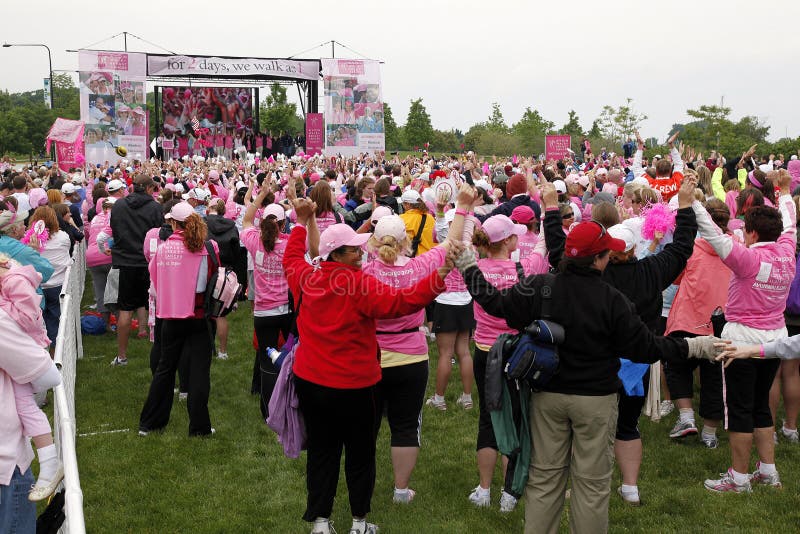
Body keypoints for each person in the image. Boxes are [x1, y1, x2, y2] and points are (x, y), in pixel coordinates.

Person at [455, 216, 721, 534]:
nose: (609, 258)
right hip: (595, 400)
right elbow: (647, 348)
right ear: (597, 259)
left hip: (549, 397)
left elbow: (496, 304)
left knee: (544, 480)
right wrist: (696, 347)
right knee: (592, 485)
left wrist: (470, 267)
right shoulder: (612, 300)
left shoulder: (542, 286)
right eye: (605, 254)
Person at [283, 198, 461, 534]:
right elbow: (403, 301)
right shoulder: (359, 283)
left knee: (322, 450)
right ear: (336, 254)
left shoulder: (306, 277)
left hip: (312, 381)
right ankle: (359, 522)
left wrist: (300, 220)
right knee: (360, 454)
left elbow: (292, 256)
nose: (361, 252)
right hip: (355, 384)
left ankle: (321, 522)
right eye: (353, 249)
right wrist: (439, 277)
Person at [361, 186, 473, 506]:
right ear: (406, 241)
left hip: (372, 355)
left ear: (373, 241)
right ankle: (400, 490)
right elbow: (452, 245)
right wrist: (462, 208)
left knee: (365, 427)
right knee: (406, 426)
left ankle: (363, 486)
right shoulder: (418, 267)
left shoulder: (363, 270)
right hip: (410, 355)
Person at [693, 169, 796, 493]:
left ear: (750, 233)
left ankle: (738, 478)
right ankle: (768, 471)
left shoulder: (748, 259)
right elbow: (791, 220)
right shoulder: (787, 253)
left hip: (741, 341)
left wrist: (694, 203)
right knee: (761, 406)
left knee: (738, 407)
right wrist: (783, 190)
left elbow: (713, 235)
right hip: (775, 339)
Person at [467, 214, 549, 512]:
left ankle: (484, 490)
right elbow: (543, 246)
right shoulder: (525, 268)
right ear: (510, 241)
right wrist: (547, 210)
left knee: (488, 419)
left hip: (485, 351)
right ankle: (509, 494)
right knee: (515, 419)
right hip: (517, 353)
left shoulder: (474, 270)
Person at [138, 202, 220, 437]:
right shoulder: (209, 246)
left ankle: (150, 423)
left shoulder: (164, 249)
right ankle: (200, 427)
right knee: (199, 372)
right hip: (200, 316)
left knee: (165, 369)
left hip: (172, 316)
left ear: (173, 223)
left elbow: (154, 282)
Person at [0, 275, 62, 532]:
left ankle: (50, 462)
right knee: (27, 405)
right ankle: (50, 460)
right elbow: (48, 375)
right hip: (5, 461)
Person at [241, 190, 291, 421]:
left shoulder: (255, 241)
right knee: (291, 357)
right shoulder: (290, 244)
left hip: (263, 312)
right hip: (287, 311)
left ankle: (268, 411)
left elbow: (246, 220)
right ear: (283, 223)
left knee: (266, 361)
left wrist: (260, 196)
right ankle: (290, 404)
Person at [106, 174, 164, 366]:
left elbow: (115, 230)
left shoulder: (119, 206)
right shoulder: (155, 208)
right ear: (148, 189)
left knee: (125, 309)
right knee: (159, 308)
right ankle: (162, 355)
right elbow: (160, 234)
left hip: (127, 262)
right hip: (148, 262)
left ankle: (122, 355)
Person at [28, 206, 72, 345]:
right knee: (55, 319)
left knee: (41, 321)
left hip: (40, 285)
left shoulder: (29, 238)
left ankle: (49, 351)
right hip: (56, 284)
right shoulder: (63, 237)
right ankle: (54, 351)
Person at [205, 198, 240, 360]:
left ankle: (207, 349)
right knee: (220, 314)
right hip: (225, 271)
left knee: (205, 312)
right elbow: (236, 252)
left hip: (207, 269)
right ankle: (222, 351)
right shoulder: (231, 226)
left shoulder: (202, 223)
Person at [399, 190, 435, 257]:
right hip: (432, 257)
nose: (402, 206)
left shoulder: (402, 219)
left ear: (408, 204)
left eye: (403, 204)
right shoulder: (430, 217)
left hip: (417, 260)